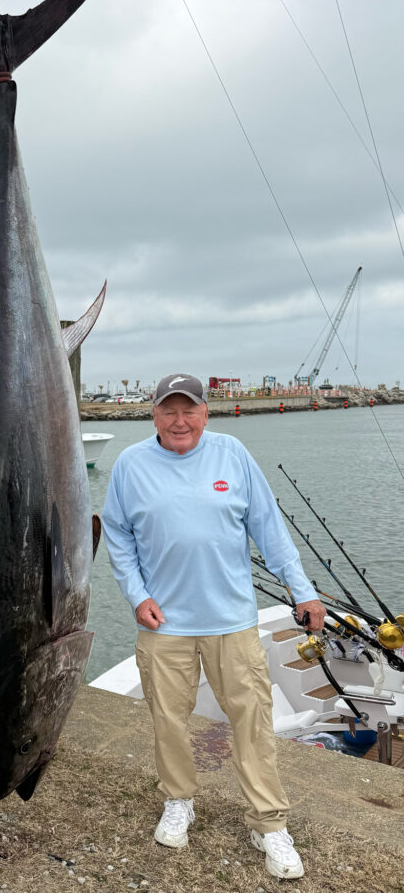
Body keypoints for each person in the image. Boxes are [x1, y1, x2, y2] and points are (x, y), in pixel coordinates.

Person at [101, 373, 325, 882]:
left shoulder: (233, 454)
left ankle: (268, 823)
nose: (179, 421)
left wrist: (303, 590)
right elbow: (117, 534)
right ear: (154, 414)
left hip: (232, 621)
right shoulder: (131, 464)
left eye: (189, 410)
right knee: (168, 720)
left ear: (206, 413)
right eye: (169, 410)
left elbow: (269, 528)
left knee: (252, 721)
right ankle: (178, 800)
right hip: (164, 624)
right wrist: (137, 595)